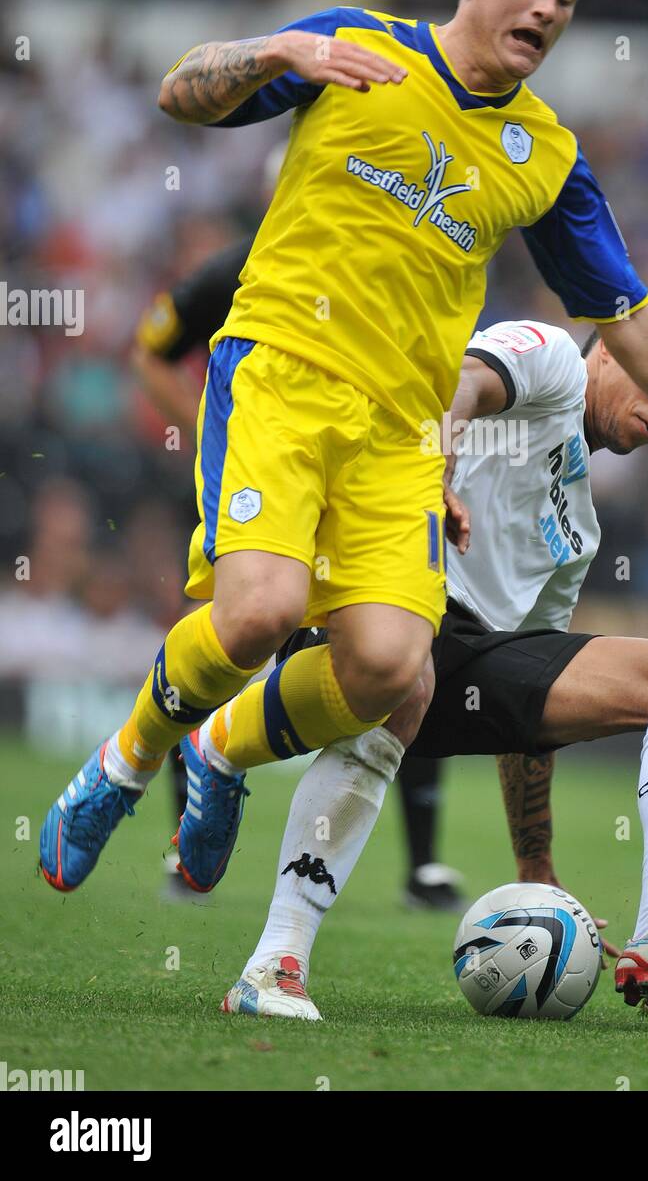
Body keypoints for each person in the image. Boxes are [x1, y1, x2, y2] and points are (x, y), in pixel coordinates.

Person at [40, 0, 648, 900]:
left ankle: (214, 752)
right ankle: (123, 763)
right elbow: (179, 88)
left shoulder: (544, 155)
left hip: (397, 432)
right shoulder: (359, 48)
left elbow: (629, 313)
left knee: (385, 672)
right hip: (281, 371)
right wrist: (280, 52)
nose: (545, 9)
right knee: (260, 614)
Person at [221, 300, 648, 1021]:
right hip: (374, 595)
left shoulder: (576, 533)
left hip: (467, 656)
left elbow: (531, 705)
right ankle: (273, 964)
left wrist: (534, 864)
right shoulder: (545, 355)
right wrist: (436, 475)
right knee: (407, 675)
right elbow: (463, 383)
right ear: (610, 348)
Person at [133, 233, 463, 909]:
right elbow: (150, 352)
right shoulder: (236, 266)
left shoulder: (390, 265)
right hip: (255, 471)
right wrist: (212, 433)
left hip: (353, 479)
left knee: (398, 652)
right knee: (230, 633)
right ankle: (184, 839)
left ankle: (423, 861)